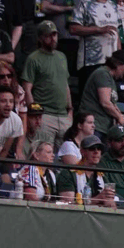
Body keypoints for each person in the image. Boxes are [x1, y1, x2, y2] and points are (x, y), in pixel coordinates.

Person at [21, 21, 74, 151]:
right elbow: (27, 89)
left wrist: (70, 110)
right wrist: (35, 115)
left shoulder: (62, 57)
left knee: (65, 156)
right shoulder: (33, 58)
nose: (53, 38)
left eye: (54, 35)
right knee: (43, 154)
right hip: (45, 115)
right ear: (40, 38)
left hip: (64, 116)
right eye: (48, 35)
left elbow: (65, 84)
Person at [69, 0, 124, 93]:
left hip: (111, 63)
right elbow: (73, 28)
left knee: (109, 98)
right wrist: (98, 29)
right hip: (91, 62)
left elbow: (117, 34)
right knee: (90, 98)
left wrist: (119, 61)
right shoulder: (84, 4)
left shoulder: (113, 5)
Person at [56, 134, 115, 206]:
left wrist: (110, 202)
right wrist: (98, 199)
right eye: (92, 148)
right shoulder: (68, 174)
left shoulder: (103, 176)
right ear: (82, 151)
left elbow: (110, 203)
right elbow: (68, 204)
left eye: (99, 148)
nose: (96, 152)